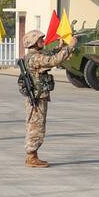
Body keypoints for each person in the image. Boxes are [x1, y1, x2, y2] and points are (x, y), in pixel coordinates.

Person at [20, 29, 76, 167]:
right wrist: (70, 47)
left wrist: (60, 46)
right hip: (37, 98)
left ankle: (32, 156)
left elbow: (49, 53)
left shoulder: (35, 55)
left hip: (39, 96)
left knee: (36, 125)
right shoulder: (35, 58)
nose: (43, 42)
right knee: (36, 126)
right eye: (40, 40)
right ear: (33, 43)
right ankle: (31, 157)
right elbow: (53, 60)